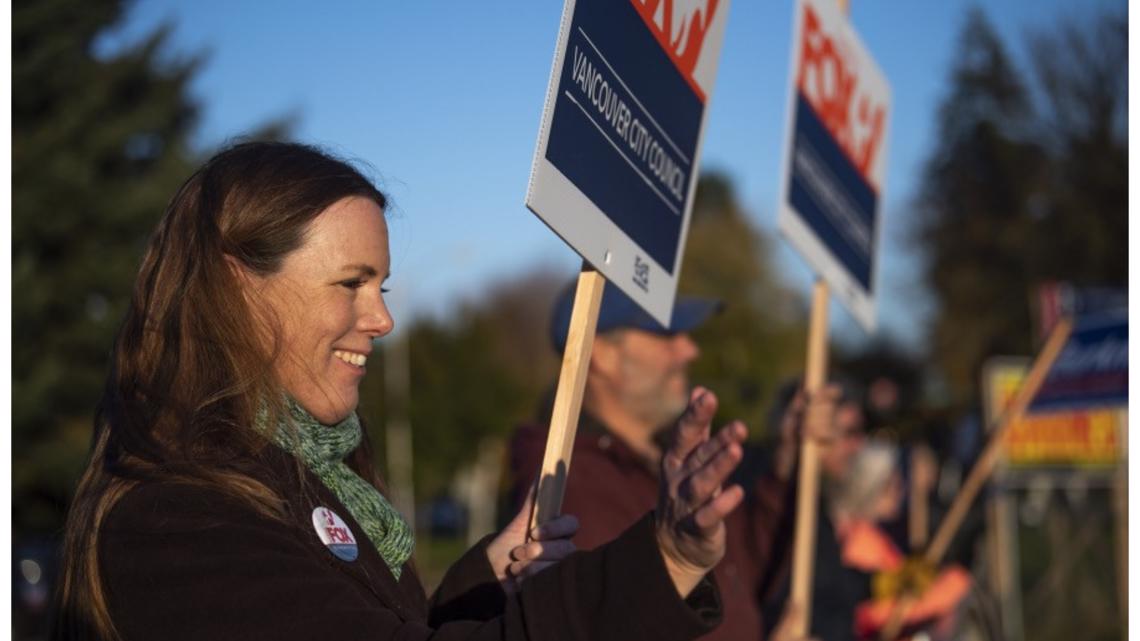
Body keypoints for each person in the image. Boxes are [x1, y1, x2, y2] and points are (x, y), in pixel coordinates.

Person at [52, 141, 752, 641]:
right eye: (350, 283)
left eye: (381, 286)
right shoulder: (176, 520)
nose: (382, 318)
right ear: (240, 287)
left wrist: (487, 577)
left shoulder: (307, 473)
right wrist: (666, 559)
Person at [510, 284, 841, 641]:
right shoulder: (563, 486)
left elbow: (739, 573)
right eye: (665, 334)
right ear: (603, 354)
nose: (689, 349)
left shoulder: (662, 460)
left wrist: (787, 464)